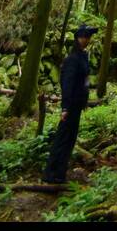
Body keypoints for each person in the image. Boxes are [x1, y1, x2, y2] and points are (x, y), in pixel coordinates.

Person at [43, 24, 98, 184]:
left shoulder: (83, 56)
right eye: (85, 36)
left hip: (78, 105)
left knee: (70, 139)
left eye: (89, 36)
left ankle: (60, 174)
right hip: (71, 105)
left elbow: (85, 81)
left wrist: (85, 100)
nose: (87, 39)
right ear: (78, 38)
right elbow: (67, 83)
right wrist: (65, 107)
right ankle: (50, 173)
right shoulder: (72, 59)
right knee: (63, 138)